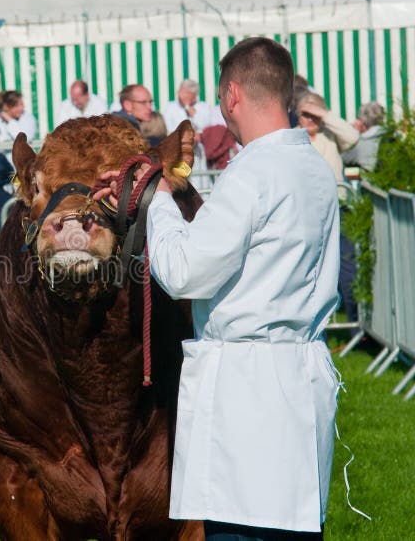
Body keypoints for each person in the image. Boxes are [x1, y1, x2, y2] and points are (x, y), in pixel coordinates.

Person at [97, 37, 340, 540]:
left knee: (245, 530)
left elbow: (185, 271)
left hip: (249, 394)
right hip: (299, 377)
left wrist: (160, 199)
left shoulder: (253, 171)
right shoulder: (311, 165)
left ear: (231, 95)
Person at [297, 92, 359, 199]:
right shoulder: (292, 137)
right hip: (305, 203)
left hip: (336, 200)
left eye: (314, 115)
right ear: (298, 115)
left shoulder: (330, 134)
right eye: (306, 114)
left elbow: (353, 137)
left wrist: (325, 114)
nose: (310, 119)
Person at [342, 101, 385, 172]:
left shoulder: (361, 143)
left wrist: (354, 134)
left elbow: (342, 157)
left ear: (362, 121)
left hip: (370, 182)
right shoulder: (393, 135)